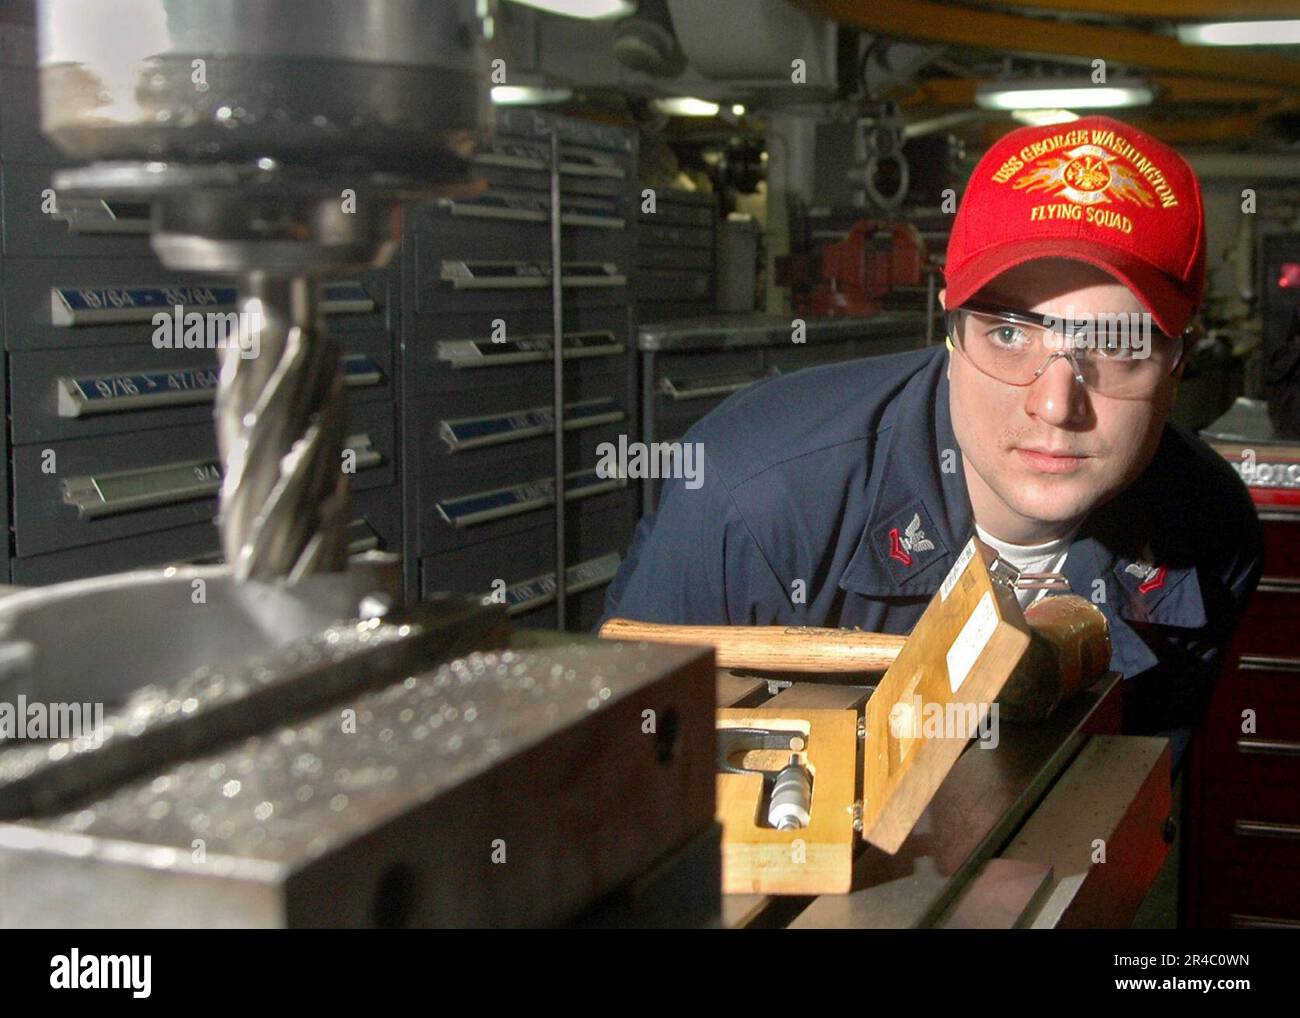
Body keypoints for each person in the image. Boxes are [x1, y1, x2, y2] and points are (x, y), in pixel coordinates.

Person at [599, 115, 1264, 776]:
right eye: (1008, 332)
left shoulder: (1208, 532)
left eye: (1116, 345)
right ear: (948, 328)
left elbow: (1123, 794)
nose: (1056, 404)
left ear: (1180, 360)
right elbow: (622, 782)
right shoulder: (749, 499)